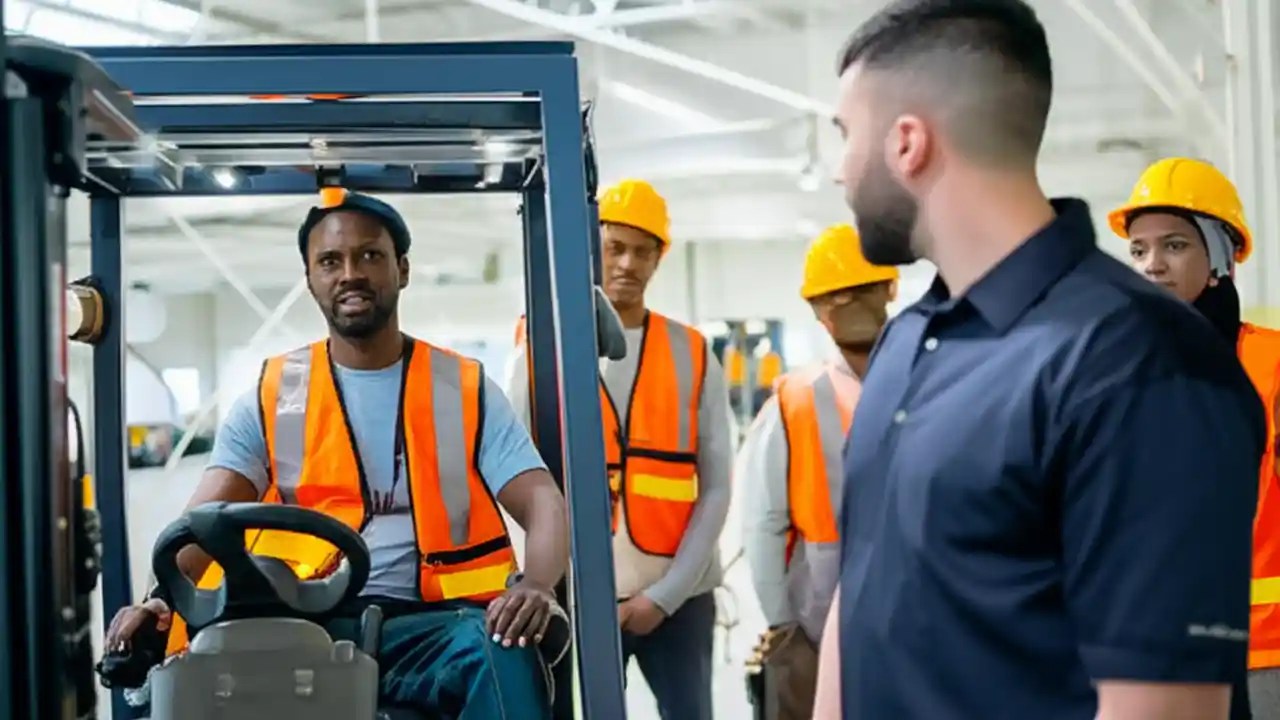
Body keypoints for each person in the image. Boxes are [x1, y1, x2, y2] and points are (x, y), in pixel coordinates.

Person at [816, 1, 1265, 719]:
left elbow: (1163, 707)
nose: (838, 171)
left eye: (844, 136)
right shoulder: (905, 344)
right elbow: (861, 588)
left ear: (909, 143)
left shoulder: (1143, 365)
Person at [103, 188, 570, 719]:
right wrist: (159, 600)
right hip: (302, 619)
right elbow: (202, 522)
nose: (350, 273)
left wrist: (536, 585)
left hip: (437, 622)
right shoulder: (273, 394)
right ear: (311, 279)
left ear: (403, 268)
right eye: (331, 261)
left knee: (503, 651)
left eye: (370, 255)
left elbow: (542, 501)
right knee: (176, 681)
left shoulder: (463, 387)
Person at [506, 178, 734, 720]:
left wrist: (667, 596)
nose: (628, 263)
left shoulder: (693, 352)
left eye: (643, 250)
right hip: (580, 600)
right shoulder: (539, 345)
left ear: (659, 259)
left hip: (679, 599)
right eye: (615, 247)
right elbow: (515, 482)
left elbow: (718, 485)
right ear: (591, 247)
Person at [1111, 156, 1280, 719]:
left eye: (1175, 246)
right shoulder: (1118, 375)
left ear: (1219, 257)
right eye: (1139, 250)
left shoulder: (1271, 365)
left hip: (1266, 654)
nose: (1152, 264)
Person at [740, 224, 896, 720]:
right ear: (817, 312)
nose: (848, 303)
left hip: (914, 622)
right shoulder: (795, 400)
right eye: (835, 296)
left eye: (861, 289)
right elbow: (763, 522)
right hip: (815, 624)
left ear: (889, 289)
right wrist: (783, 628)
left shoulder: (930, 378)